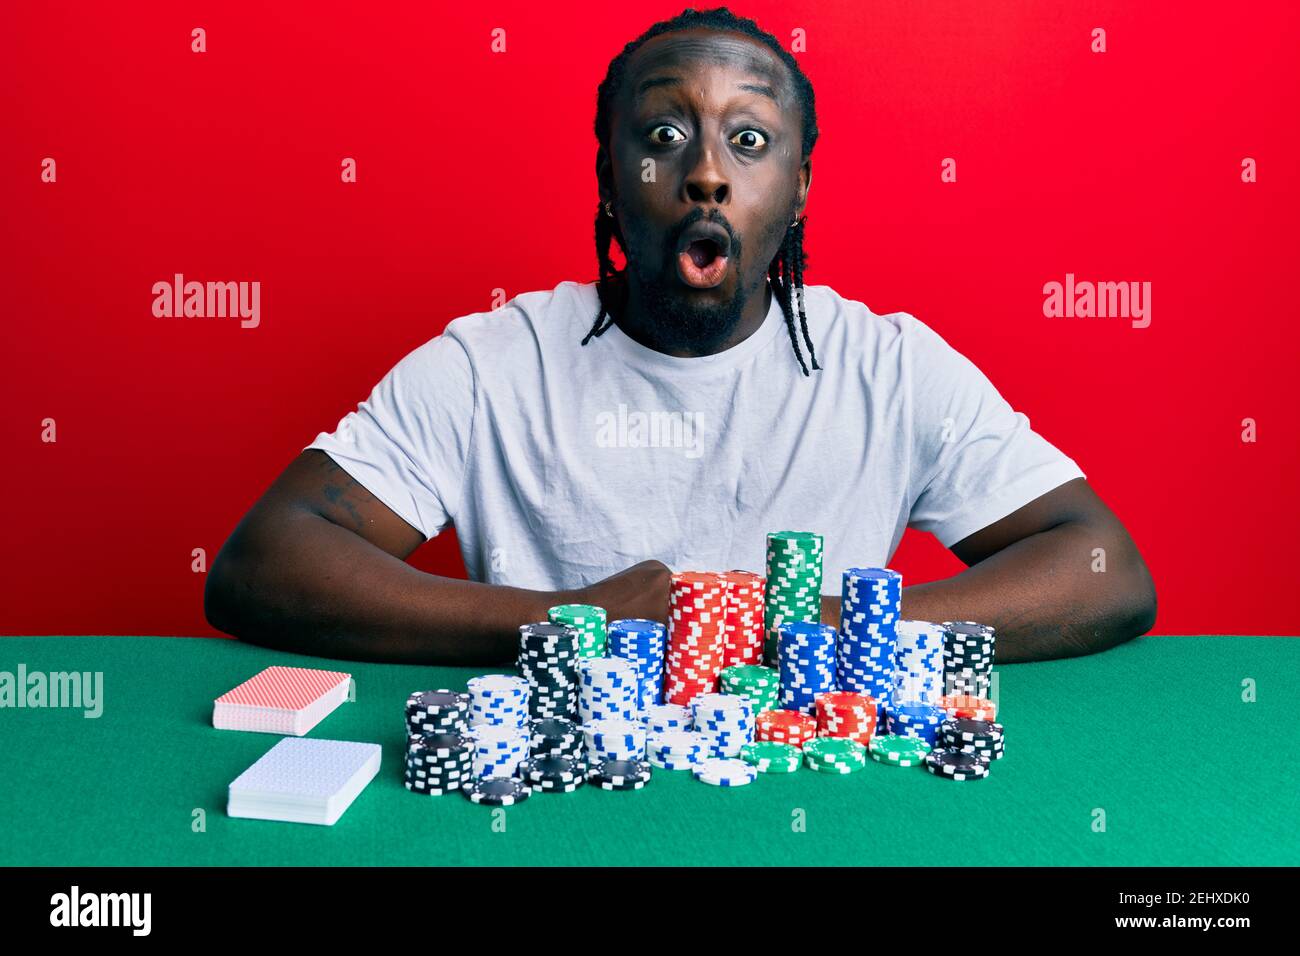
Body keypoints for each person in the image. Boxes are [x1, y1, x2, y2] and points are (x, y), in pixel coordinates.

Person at [205, 7, 1155, 667]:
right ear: (610, 180)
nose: (705, 174)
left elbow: (1102, 570)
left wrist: (822, 623)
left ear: (800, 188)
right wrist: (562, 622)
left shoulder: (890, 369)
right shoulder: (493, 363)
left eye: (749, 142)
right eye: (662, 136)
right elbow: (262, 564)